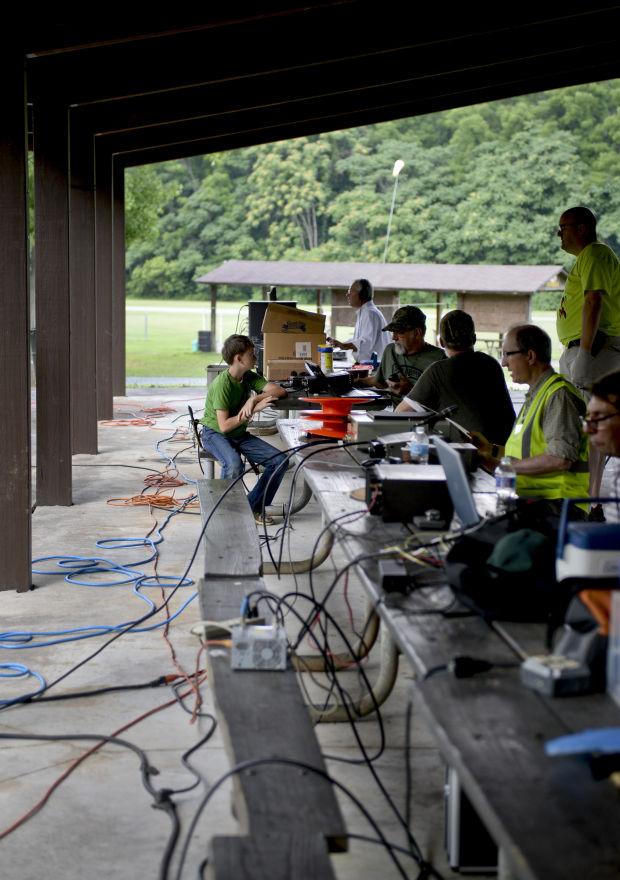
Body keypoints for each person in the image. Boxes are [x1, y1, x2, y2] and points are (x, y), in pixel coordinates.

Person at [472, 323, 589, 512]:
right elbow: (526, 454)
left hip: (558, 508)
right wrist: (490, 450)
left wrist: (506, 467)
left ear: (530, 356)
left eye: (508, 354)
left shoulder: (558, 396)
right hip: (533, 501)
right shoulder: (538, 393)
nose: (503, 363)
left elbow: (561, 458)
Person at [200, 334, 288, 525]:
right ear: (238, 358)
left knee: (280, 461)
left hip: (238, 433)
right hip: (214, 433)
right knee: (233, 465)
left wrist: (253, 398)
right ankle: (225, 514)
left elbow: (280, 391)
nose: (255, 357)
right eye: (252, 354)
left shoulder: (248, 376)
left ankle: (253, 507)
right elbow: (224, 426)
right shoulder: (222, 384)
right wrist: (254, 409)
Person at [394, 309, 515, 443]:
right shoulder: (492, 364)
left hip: (472, 454)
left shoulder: (438, 371)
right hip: (505, 449)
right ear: (474, 338)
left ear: (441, 342)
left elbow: (400, 413)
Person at [557, 206, 620, 390]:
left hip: (594, 349)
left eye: (563, 227)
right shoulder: (588, 257)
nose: (558, 234)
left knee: (593, 415)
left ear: (581, 228)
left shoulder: (595, 253)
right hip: (587, 348)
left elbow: (593, 302)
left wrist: (584, 355)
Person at [357, 305, 445, 403]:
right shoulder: (390, 351)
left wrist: (410, 391)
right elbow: (379, 381)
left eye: (399, 332)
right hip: (394, 414)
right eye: (393, 332)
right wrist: (353, 381)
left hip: (425, 416)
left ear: (417, 332)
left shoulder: (440, 359)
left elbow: (445, 401)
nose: (394, 338)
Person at [327, 278, 390, 363]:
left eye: (350, 291)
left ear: (361, 294)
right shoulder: (366, 312)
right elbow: (360, 339)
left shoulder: (370, 313)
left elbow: (366, 343)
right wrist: (340, 343)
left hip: (373, 367)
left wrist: (344, 345)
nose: (347, 295)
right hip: (367, 365)